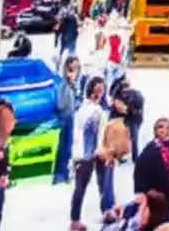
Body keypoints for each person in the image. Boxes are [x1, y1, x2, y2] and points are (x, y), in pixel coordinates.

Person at [70, 78, 118, 229]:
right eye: (96, 90)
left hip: (94, 152)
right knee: (81, 187)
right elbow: (91, 134)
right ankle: (75, 220)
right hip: (87, 154)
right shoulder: (90, 110)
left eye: (101, 90)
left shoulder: (97, 109)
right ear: (90, 90)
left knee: (104, 181)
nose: (99, 93)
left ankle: (107, 211)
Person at [133, 118, 169, 213]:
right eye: (161, 127)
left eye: (168, 128)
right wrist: (143, 192)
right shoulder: (151, 148)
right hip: (155, 197)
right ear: (155, 130)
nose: (164, 130)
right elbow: (139, 169)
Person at [54, 56, 83, 185]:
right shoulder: (63, 85)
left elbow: (77, 102)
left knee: (69, 146)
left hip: (71, 117)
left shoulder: (75, 85)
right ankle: (60, 174)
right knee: (63, 146)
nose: (74, 73)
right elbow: (60, 104)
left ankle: (65, 172)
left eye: (77, 69)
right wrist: (69, 88)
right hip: (64, 118)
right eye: (72, 69)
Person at [111, 77, 145, 151]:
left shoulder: (134, 93)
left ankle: (133, 157)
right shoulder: (118, 94)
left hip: (132, 118)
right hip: (129, 118)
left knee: (133, 140)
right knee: (132, 140)